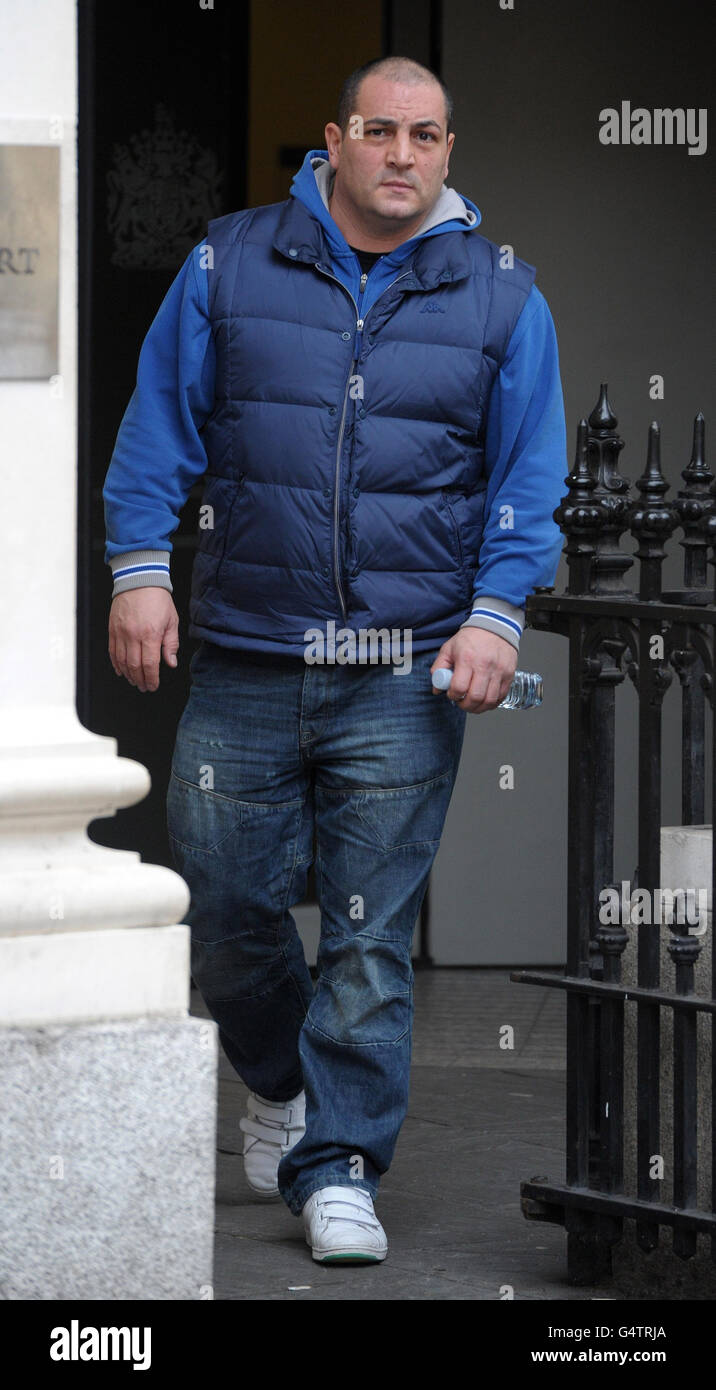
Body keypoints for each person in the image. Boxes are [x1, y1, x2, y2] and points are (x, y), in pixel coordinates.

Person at [103, 55, 567, 1265]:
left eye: (424, 135)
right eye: (378, 131)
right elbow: (158, 424)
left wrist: (495, 613)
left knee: (367, 932)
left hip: (404, 670)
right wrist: (141, 570)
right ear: (335, 138)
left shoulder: (504, 294)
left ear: (447, 151)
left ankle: (341, 1164)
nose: (400, 154)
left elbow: (527, 474)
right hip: (249, 651)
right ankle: (281, 1078)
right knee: (227, 902)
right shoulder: (229, 261)